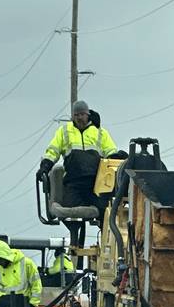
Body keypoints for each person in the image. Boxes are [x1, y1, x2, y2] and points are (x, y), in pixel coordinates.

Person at [39, 100, 120, 246]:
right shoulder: (64, 132)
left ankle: (107, 247)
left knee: (105, 211)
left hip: (95, 184)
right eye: (76, 115)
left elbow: (111, 152)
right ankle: (76, 244)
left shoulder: (100, 132)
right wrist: (45, 166)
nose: (79, 118)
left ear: (88, 114)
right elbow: (53, 150)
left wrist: (118, 156)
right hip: (73, 182)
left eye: (82, 114)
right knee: (70, 212)